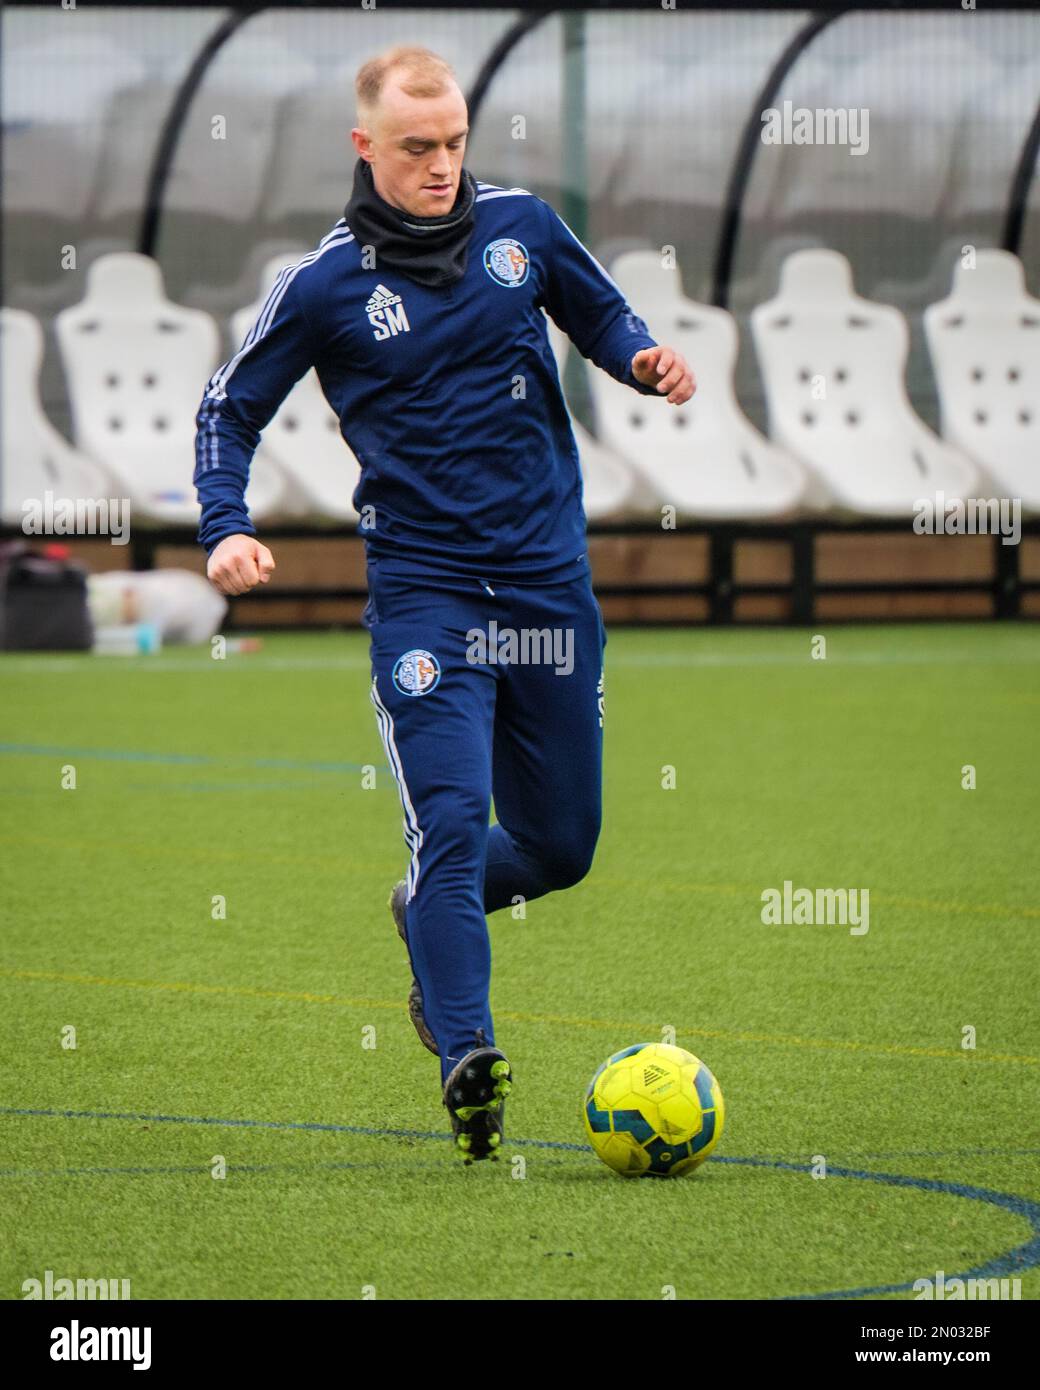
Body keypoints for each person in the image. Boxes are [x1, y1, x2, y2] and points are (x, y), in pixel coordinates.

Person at [194, 44, 695, 1164]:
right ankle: (468, 1055)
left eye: (455, 142)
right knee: (454, 822)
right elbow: (227, 410)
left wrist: (644, 360)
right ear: (363, 146)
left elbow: (602, 317)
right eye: (416, 147)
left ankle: (424, 911)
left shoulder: (523, 228)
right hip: (426, 599)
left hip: (548, 591)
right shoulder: (322, 286)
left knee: (562, 846)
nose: (441, 165)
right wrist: (227, 523)